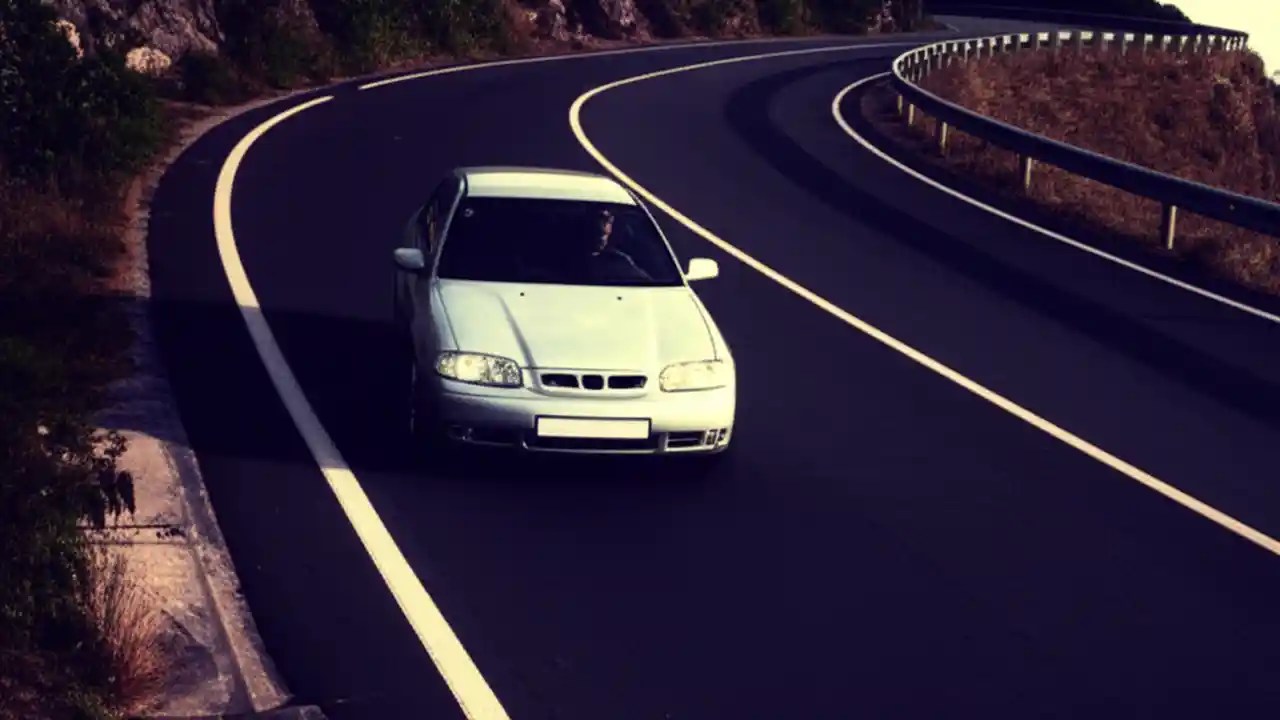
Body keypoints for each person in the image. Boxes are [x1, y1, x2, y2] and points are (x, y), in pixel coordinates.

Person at [581, 207, 651, 282]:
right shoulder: (575, 261)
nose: (603, 227)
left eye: (608, 220)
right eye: (597, 233)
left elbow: (646, 281)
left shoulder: (619, 261)